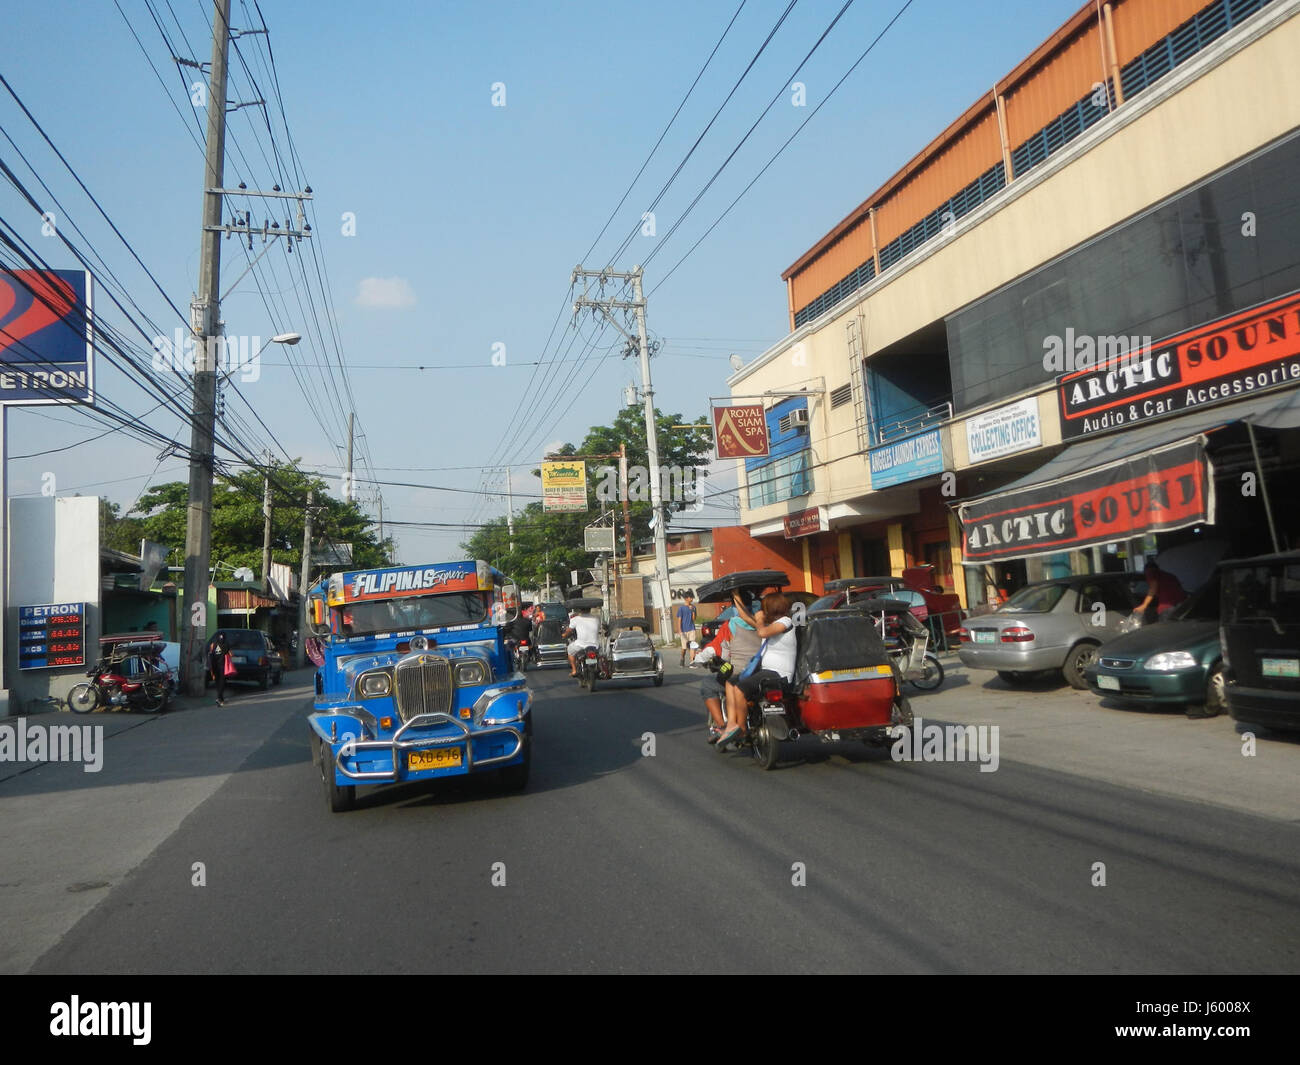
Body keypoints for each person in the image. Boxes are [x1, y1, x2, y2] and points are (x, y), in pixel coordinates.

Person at [717, 591, 797, 750]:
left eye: (764, 608)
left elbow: (761, 632)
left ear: (771, 609)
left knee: (740, 689)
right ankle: (732, 723)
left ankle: (742, 729)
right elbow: (746, 618)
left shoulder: (786, 621)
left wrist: (759, 620)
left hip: (778, 673)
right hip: (766, 671)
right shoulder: (772, 624)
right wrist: (737, 597)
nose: (762, 611)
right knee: (731, 682)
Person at [692, 604, 762, 743]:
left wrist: (698, 659)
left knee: (708, 684)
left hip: (740, 673)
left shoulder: (732, 625)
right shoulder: (767, 623)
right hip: (763, 671)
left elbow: (716, 650)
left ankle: (722, 726)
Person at [565, 605, 601, 677]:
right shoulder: (596, 618)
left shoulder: (576, 619)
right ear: (590, 610)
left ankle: (574, 670)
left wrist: (564, 635)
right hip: (595, 645)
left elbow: (569, 630)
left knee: (569, 650)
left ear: (580, 610)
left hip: (580, 645)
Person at [209, 631, 231, 706]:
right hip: (223, 666)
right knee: (222, 682)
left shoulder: (213, 644)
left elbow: (210, 654)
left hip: (214, 665)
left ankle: (220, 698)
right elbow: (229, 653)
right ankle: (219, 698)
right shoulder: (226, 644)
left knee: (217, 681)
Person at [675, 592, 697, 666]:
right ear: (686, 598)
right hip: (684, 630)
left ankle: (692, 662)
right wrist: (679, 630)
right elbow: (679, 620)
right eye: (691, 597)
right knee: (684, 648)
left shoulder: (693, 607)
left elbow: (693, 619)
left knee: (692, 645)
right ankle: (682, 658)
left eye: (692, 597)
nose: (692, 599)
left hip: (692, 629)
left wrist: (692, 610)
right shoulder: (681, 608)